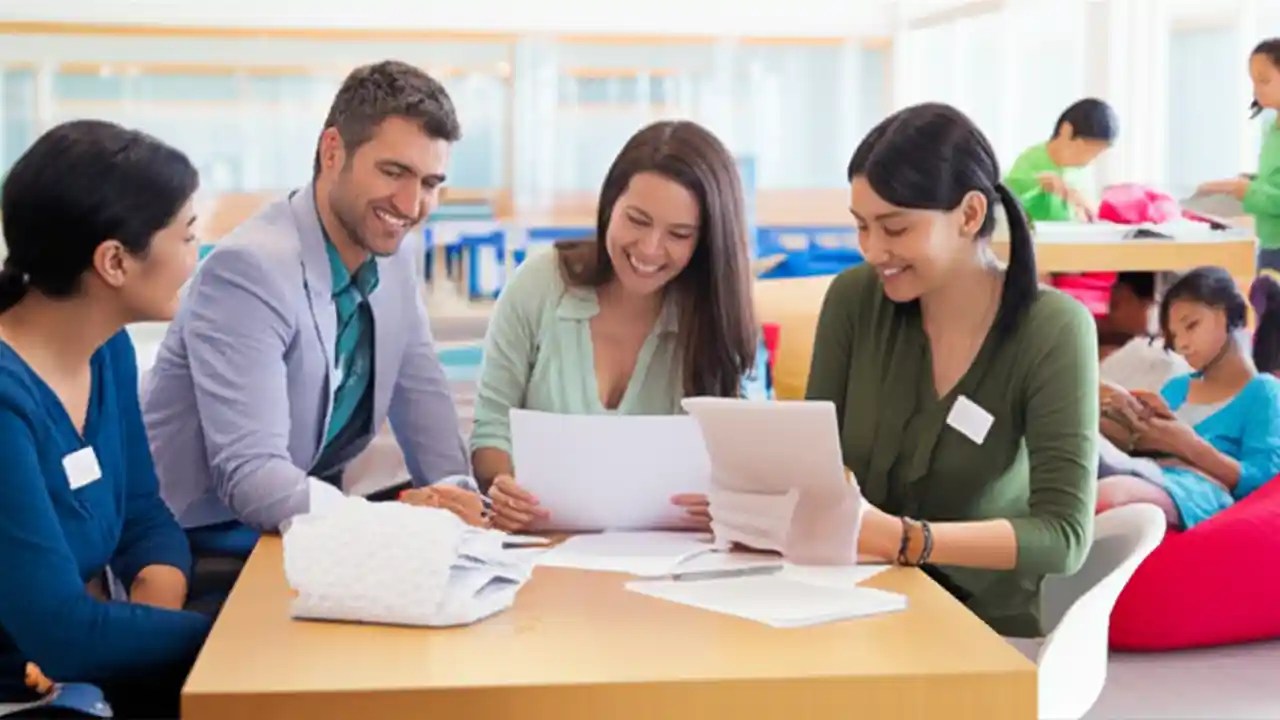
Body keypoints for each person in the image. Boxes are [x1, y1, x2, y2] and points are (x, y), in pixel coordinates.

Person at [142, 60, 485, 559]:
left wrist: (458, 501)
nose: (411, 205)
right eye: (394, 172)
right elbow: (252, 477)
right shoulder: (250, 269)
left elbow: (424, 404)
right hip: (202, 542)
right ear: (332, 152)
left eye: (430, 183)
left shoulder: (392, 257)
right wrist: (392, 521)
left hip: (307, 528)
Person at [806, 103, 1099, 638]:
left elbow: (1063, 536)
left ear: (969, 215)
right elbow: (814, 467)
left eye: (895, 228)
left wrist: (907, 540)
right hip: (842, 604)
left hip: (980, 629)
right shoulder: (854, 300)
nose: (873, 250)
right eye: (862, 227)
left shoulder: (1053, 329)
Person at [0, 120, 212, 716]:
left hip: (78, 670)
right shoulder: (7, 400)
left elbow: (143, 515)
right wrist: (224, 637)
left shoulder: (107, 350)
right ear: (114, 261)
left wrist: (147, 617)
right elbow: (60, 633)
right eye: (187, 236)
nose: (195, 256)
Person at [471, 120, 758, 532]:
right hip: (545, 547)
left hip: (674, 556)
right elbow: (491, 427)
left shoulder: (718, 317)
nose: (650, 249)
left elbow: (746, 462)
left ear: (705, 242)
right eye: (637, 220)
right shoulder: (539, 285)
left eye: (679, 234)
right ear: (610, 206)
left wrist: (731, 501)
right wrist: (505, 487)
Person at [1097, 267, 1280, 530]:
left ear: (1228, 313)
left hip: (1197, 493)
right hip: (1146, 469)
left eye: (1191, 325)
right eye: (1174, 336)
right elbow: (1146, 446)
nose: (1181, 344)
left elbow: (1264, 483)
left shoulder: (1264, 392)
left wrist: (1187, 445)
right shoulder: (1178, 386)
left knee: (1108, 494)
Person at [1198, 38, 1280, 273]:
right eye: (1253, 81)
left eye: (1264, 80)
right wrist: (1246, 183)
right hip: (1269, 244)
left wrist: (1247, 190)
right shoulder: (1270, 127)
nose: (1256, 90)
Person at [1005, 97, 1118, 224]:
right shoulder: (1031, 160)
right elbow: (1008, 200)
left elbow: (1094, 214)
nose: (1089, 159)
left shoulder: (1082, 173)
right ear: (1066, 131)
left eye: (1097, 153)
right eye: (1086, 149)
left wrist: (1084, 206)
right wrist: (1037, 184)